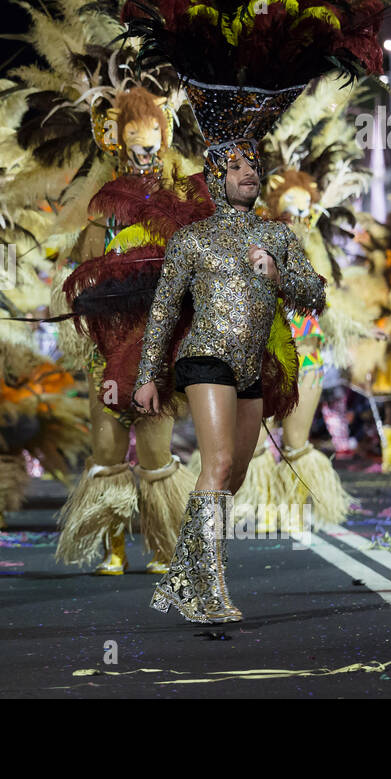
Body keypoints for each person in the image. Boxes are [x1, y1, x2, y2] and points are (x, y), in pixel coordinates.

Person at [132, 144, 325, 623]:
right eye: (235, 167)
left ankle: (180, 578)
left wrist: (279, 275)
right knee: (216, 466)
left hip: (249, 368)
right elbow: (164, 310)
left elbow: (315, 295)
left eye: (253, 167)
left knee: (232, 477)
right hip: (205, 359)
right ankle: (209, 594)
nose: (249, 174)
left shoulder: (275, 236)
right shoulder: (191, 239)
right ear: (214, 178)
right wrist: (147, 375)